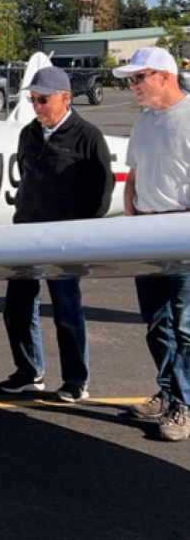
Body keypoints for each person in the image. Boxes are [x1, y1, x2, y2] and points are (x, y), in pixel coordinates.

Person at [0, 66, 113, 403]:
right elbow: (25, 177)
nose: (37, 105)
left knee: (66, 310)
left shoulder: (88, 136)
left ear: (65, 97)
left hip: (64, 238)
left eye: (43, 99)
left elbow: (101, 193)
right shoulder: (29, 134)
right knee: (17, 307)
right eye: (33, 99)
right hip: (26, 233)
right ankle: (28, 372)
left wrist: (79, 232)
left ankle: (76, 380)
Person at [115, 46, 190, 441]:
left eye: (137, 78)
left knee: (185, 326)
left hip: (181, 234)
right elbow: (134, 174)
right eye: (130, 80)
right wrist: (132, 216)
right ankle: (168, 392)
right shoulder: (144, 123)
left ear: (164, 76)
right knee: (156, 322)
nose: (132, 86)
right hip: (146, 232)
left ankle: (184, 405)